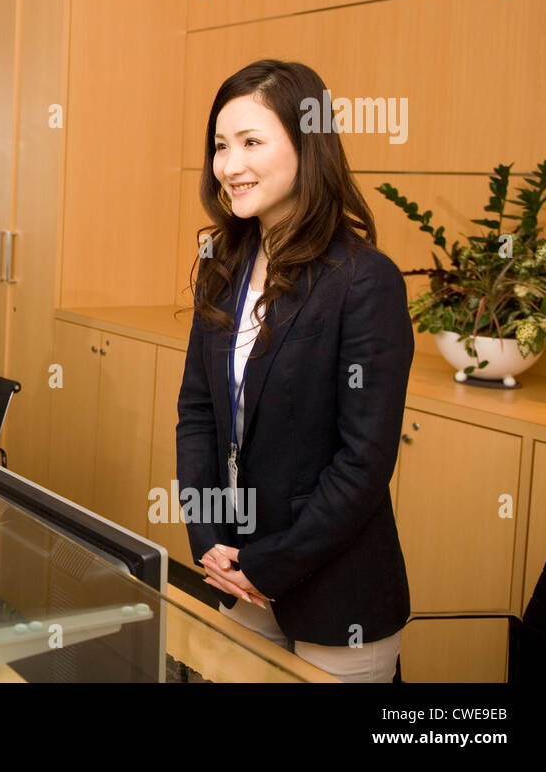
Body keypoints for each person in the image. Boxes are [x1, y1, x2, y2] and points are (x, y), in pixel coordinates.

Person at [175, 59, 414, 682]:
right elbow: (197, 413)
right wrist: (208, 541)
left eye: (252, 142)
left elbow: (362, 462)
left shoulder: (363, 280)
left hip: (337, 594)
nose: (230, 165)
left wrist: (269, 565)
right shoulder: (221, 265)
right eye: (221, 146)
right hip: (237, 569)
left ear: (308, 147)